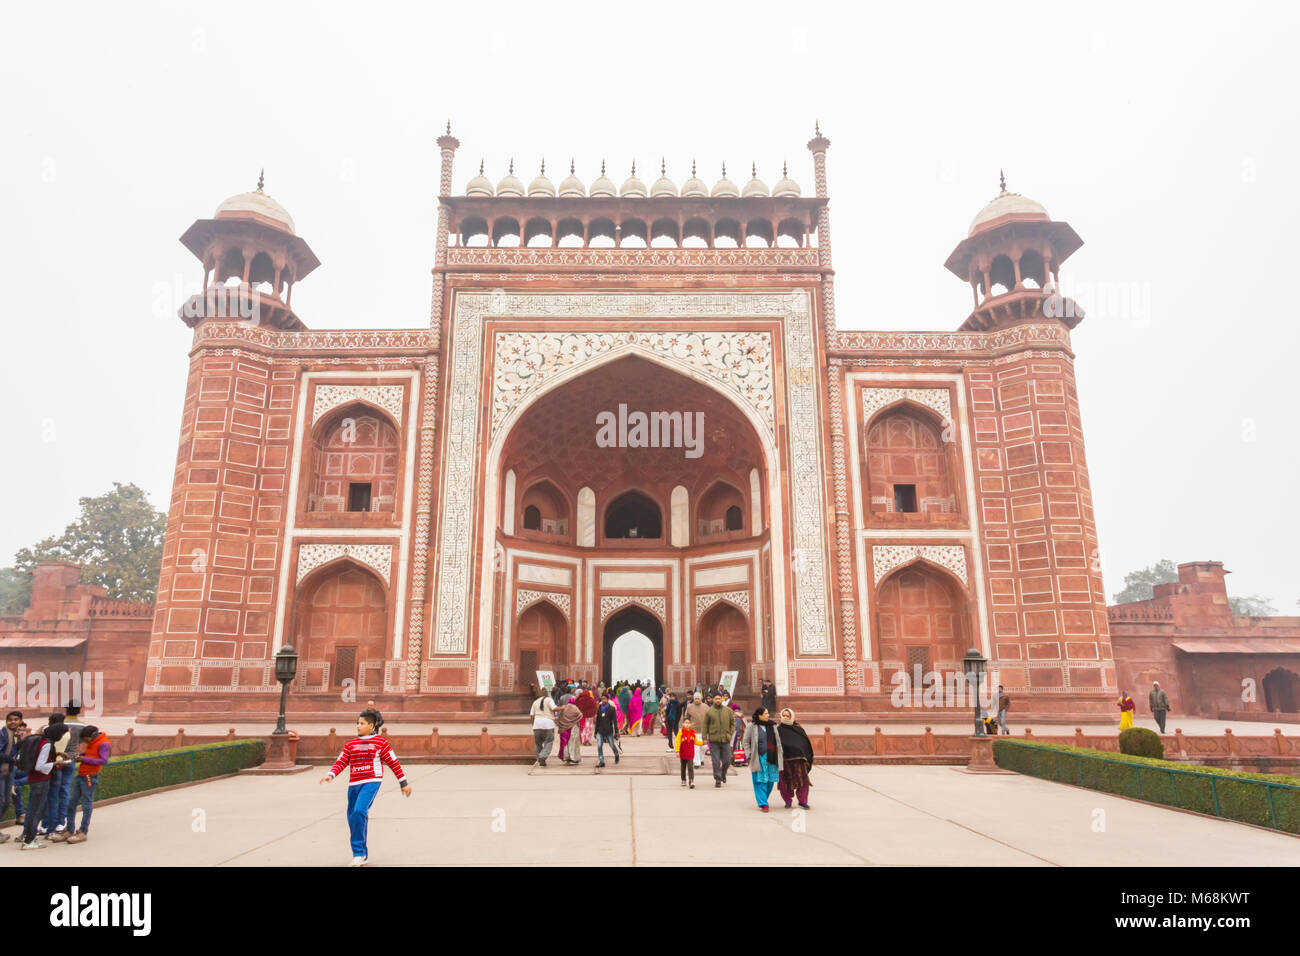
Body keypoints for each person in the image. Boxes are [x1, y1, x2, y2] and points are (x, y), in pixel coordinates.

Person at [320, 708, 411, 866]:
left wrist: (403, 783)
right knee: (354, 818)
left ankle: (358, 854)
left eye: (362, 723)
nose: (358, 726)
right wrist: (331, 775)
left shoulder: (380, 743)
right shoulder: (351, 744)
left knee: (359, 811)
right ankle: (363, 854)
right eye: (357, 723)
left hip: (371, 781)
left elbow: (393, 762)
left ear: (372, 725)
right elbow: (341, 761)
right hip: (354, 784)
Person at [19, 725, 64, 849]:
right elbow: (40, 766)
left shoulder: (40, 740)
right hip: (41, 780)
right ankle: (29, 840)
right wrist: (56, 762)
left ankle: (27, 837)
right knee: (37, 810)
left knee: (32, 810)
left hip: (34, 779)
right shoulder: (47, 744)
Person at [64, 725, 110, 843]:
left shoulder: (103, 743)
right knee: (71, 803)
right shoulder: (92, 741)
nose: (84, 741)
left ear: (92, 736)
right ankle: (69, 829)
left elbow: (103, 760)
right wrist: (82, 755)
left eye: (85, 739)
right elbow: (92, 754)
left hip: (90, 776)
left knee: (86, 805)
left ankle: (83, 831)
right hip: (82, 774)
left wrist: (84, 759)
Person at [742, 707, 783, 812]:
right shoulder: (752, 726)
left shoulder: (772, 725)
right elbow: (746, 742)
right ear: (759, 715)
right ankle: (763, 803)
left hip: (772, 757)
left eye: (768, 713)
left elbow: (778, 741)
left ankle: (764, 798)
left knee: (770, 780)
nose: (768, 715)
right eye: (766, 713)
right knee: (759, 780)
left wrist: (780, 754)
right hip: (758, 757)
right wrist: (749, 755)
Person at [775, 708, 813, 810]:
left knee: (803, 781)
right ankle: (787, 801)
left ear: (792, 716)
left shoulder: (798, 729)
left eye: (788, 716)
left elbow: (805, 742)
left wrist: (804, 753)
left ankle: (803, 801)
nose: (786, 717)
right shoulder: (778, 730)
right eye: (784, 715)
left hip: (799, 760)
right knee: (784, 782)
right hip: (784, 760)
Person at [703, 694, 736, 788]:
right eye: (716, 698)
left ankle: (722, 773)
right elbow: (705, 725)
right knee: (716, 761)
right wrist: (705, 738)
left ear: (721, 699)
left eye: (719, 698)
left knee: (728, 760)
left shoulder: (728, 710)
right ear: (713, 700)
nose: (718, 700)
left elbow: (733, 723)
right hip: (714, 739)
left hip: (725, 739)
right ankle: (718, 779)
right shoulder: (709, 711)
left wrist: (730, 734)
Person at [0, 710, 19, 844]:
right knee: (1, 801)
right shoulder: (3, 734)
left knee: (6, 802)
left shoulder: (17, 735)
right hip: (1, 771)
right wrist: (12, 759)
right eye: (10, 720)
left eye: (15, 719)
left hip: (9, 772)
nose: (13, 722)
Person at [530, 689, 558, 767]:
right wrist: (562, 707)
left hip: (537, 724)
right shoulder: (549, 700)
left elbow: (532, 715)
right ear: (547, 694)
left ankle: (540, 759)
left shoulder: (535, 702)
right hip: (548, 724)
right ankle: (542, 756)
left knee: (538, 743)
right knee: (549, 742)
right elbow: (554, 708)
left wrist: (533, 725)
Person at [555, 695, 583, 765]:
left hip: (565, 728)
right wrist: (574, 720)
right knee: (573, 743)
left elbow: (560, 718)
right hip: (573, 728)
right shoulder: (575, 708)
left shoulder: (565, 707)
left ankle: (566, 757)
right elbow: (580, 715)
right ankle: (574, 758)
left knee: (566, 744)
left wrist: (562, 724)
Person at [594, 693, 621, 767]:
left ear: (608, 700)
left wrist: (616, 731)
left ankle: (616, 754)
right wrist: (595, 732)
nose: (603, 700)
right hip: (600, 730)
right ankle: (601, 761)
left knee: (611, 744)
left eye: (604, 699)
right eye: (602, 699)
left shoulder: (612, 709)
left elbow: (614, 721)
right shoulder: (599, 709)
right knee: (599, 745)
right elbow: (597, 720)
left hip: (609, 730)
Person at [684, 692, 709, 768]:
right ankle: (696, 763)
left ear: (700, 699)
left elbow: (710, 717)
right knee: (696, 747)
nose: (697, 700)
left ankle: (701, 759)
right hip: (694, 730)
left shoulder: (706, 707)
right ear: (693, 699)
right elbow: (686, 717)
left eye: (698, 698)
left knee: (704, 747)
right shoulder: (689, 707)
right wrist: (686, 726)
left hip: (704, 730)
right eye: (695, 699)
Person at [675, 717, 700, 788]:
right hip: (683, 753)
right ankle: (683, 779)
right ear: (683, 724)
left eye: (689, 723)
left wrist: (703, 743)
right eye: (686, 723)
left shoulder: (693, 732)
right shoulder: (680, 732)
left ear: (691, 724)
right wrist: (677, 751)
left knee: (690, 767)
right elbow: (677, 742)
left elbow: (696, 741)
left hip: (690, 753)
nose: (687, 724)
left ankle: (691, 781)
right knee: (683, 767)